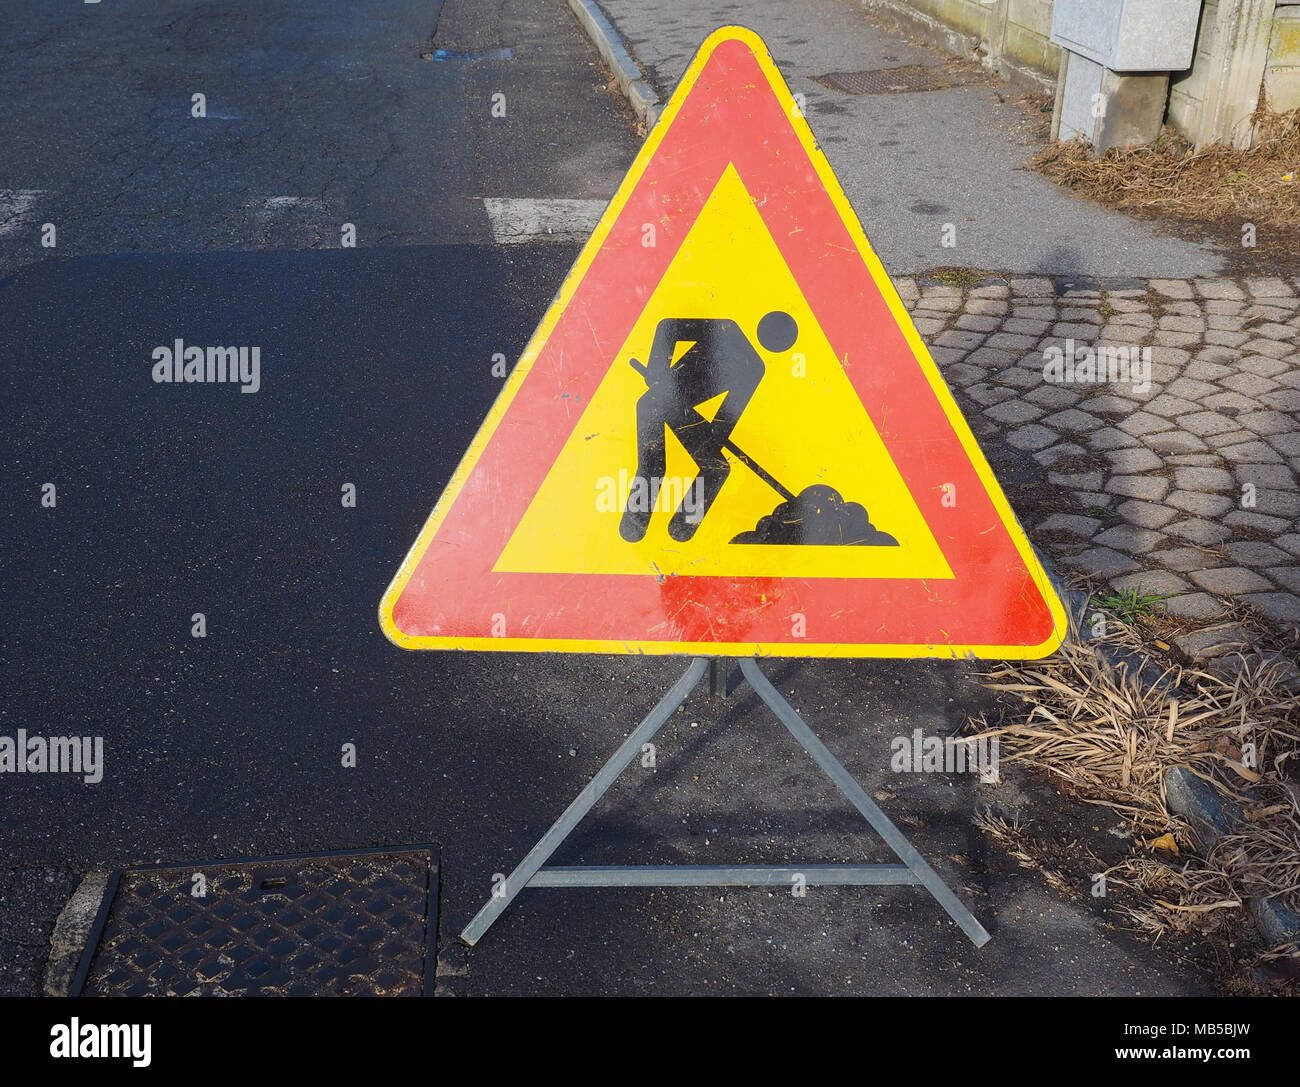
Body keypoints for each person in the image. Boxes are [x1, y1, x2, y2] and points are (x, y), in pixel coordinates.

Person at [620, 311, 798, 542]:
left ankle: (680, 528)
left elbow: (727, 417)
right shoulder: (727, 330)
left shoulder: (753, 368)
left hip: (676, 407)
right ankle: (635, 526)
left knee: (714, 468)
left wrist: (715, 438)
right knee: (657, 463)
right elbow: (667, 327)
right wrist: (657, 367)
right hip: (655, 402)